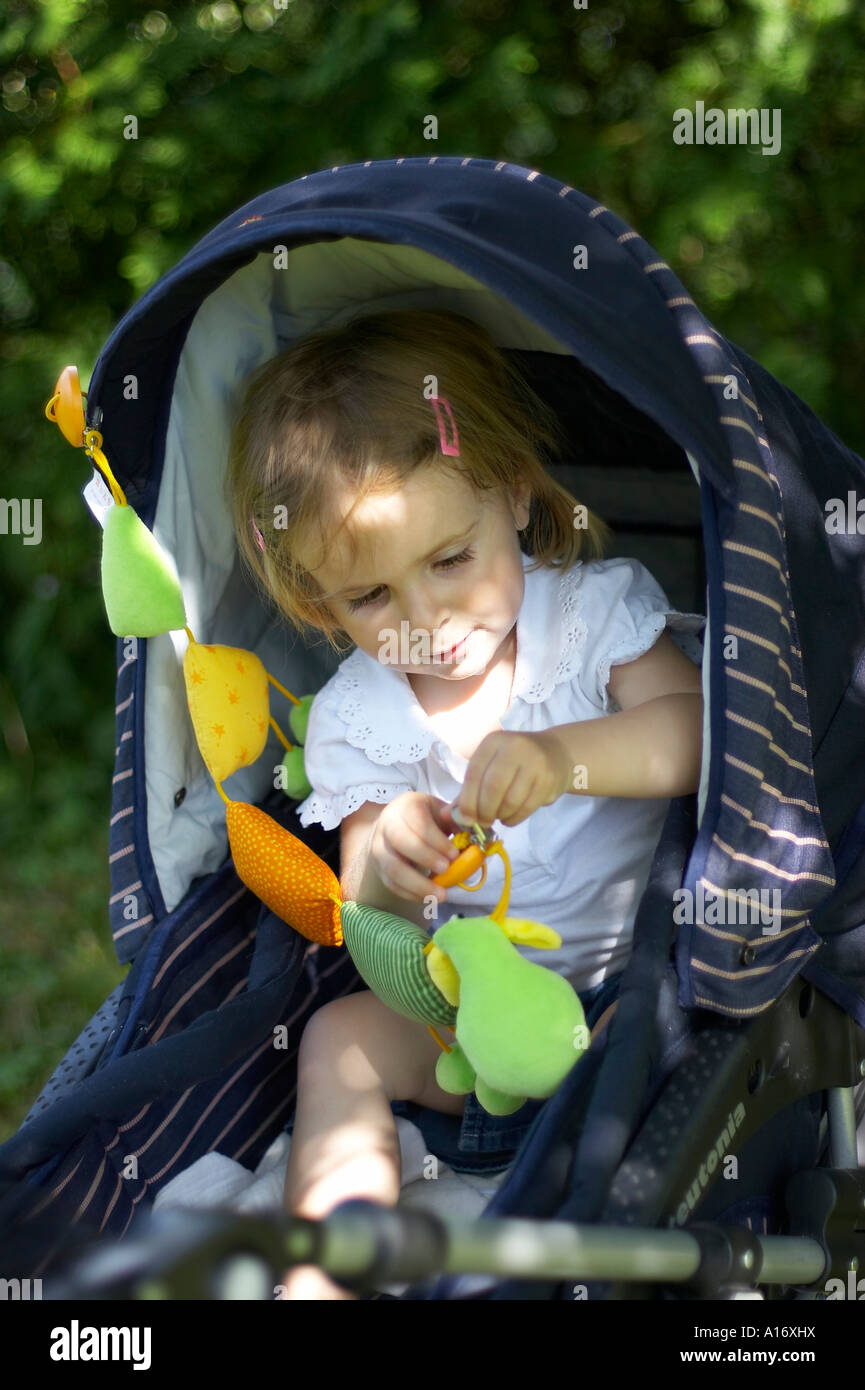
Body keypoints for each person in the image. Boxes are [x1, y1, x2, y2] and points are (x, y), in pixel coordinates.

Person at [227, 308, 705, 1299]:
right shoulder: (359, 713)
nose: (423, 623)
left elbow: (691, 735)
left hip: (624, 995)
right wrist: (386, 857)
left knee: (682, 1049)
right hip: (455, 1019)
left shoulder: (585, 615)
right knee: (339, 1038)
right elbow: (367, 904)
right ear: (320, 600)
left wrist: (566, 754)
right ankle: (338, 1251)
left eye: (449, 561)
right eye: (370, 598)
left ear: (514, 494)